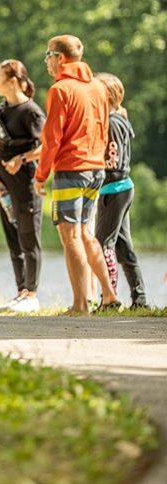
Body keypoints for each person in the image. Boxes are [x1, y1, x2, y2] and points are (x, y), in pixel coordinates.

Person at [34, 35, 121, 315]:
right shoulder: (97, 87)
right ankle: (108, 294)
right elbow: (104, 128)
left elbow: (52, 138)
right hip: (96, 169)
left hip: (71, 169)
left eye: (48, 55)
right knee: (85, 233)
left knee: (70, 237)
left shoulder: (60, 90)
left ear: (60, 58)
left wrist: (40, 176)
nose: (46, 60)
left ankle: (81, 304)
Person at [0, 60, 45, 313]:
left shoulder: (31, 112)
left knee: (28, 238)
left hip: (26, 186)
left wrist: (22, 159)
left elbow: (46, 147)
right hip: (3, 188)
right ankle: (21, 291)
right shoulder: (0, 111)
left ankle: (32, 293)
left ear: (12, 81)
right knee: (13, 241)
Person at [95, 72, 148, 308]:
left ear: (106, 96)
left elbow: (113, 160)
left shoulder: (112, 123)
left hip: (114, 188)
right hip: (121, 188)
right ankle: (140, 299)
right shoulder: (119, 120)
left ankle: (110, 298)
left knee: (102, 244)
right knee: (123, 246)